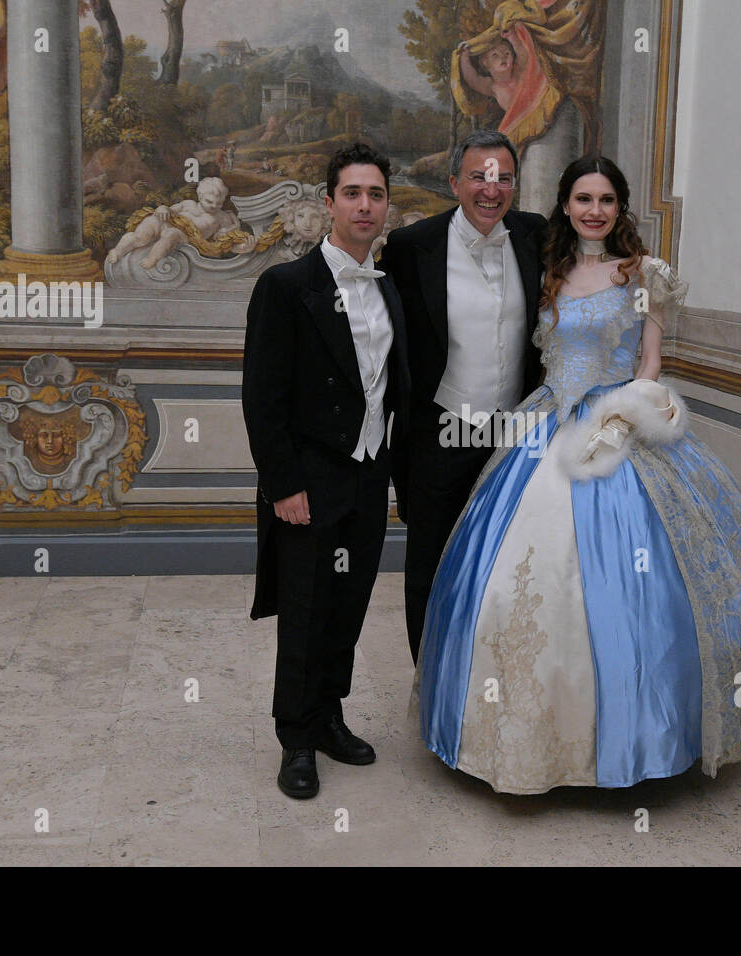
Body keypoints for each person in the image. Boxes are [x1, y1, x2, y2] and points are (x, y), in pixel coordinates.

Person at [414, 156, 741, 794]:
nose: (594, 210)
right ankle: (518, 738)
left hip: (616, 427)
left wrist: (616, 423)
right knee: (512, 582)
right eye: (583, 198)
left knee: (638, 586)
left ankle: (640, 738)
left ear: (621, 208)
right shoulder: (550, 271)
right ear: (564, 205)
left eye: (606, 200)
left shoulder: (643, 273)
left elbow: (650, 363)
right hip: (542, 427)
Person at [242, 142, 410, 800]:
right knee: (306, 611)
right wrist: (283, 486)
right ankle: (296, 738)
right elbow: (263, 398)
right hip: (309, 482)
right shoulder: (286, 287)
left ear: (386, 205)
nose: (365, 205)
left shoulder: (389, 287)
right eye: (352, 193)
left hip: (368, 477)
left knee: (348, 605)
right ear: (329, 202)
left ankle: (331, 715)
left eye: (375, 194)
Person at [379, 130, 548, 664]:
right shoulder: (411, 248)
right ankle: (430, 687)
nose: (490, 189)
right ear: (454, 182)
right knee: (430, 568)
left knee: (505, 565)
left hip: (515, 439)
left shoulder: (536, 236)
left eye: (502, 178)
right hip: (439, 434)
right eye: (478, 176)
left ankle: (484, 688)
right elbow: (388, 346)